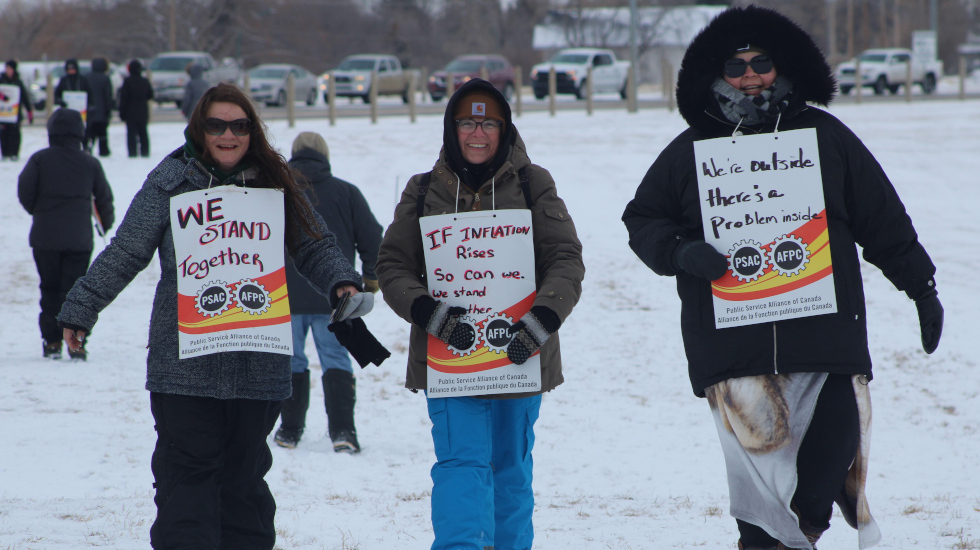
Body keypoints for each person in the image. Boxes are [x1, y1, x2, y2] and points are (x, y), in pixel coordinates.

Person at [622, 6, 943, 550]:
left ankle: (803, 535)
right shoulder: (692, 149)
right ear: (715, 75)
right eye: (735, 65)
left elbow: (882, 218)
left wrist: (921, 287)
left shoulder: (826, 137)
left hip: (824, 336)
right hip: (735, 347)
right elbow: (643, 219)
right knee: (761, 508)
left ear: (783, 66)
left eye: (762, 62)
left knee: (827, 464)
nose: (750, 75)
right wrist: (682, 250)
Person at [57, 83, 364, 549]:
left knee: (243, 486)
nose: (228, 135)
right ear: (200, 129)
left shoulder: (275, 183)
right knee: (187, 484)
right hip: (183, 366)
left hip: (256, 363)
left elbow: (315, 246)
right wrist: (82, 307)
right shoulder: (170, 180)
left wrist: (341, 280)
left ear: (251, 131)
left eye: (239, 126)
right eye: (216, 125)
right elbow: (126, 251)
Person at [376, 78, 585, 550]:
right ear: (451, 128)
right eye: (467, 122)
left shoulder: (534, 183)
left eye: (489, 123)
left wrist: (542, 321)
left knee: (510, 472)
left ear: (504, 129)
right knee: (461, 469)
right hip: (450, 358)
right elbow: (392, 265)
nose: (478, 132)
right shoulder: (423, 189)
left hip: (519, 355)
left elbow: (565, 260)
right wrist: (428, 311)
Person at [273, 131, 384, 453]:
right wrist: (371, 280)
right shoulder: (346, 193)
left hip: (284, 296)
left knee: (291, 361)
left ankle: (289, 430)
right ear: (325, 156)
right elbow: (372, 238)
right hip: (333, 295)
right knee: (335, 358)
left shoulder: (277, 193)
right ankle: (343, 432)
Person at [17, 108, 114, 360]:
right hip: (79, 240)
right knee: (76, 293)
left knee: (49, 289)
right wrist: (106, 224)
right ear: (80, 133)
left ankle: (51, 342)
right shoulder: (90, 162)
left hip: (44, 238)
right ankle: (77, 342)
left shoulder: (39, 159)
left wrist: (39, 212)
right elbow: (104, 199)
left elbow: (25, 191)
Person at [118, 59, 154, 157]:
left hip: (130, 112)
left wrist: (121, 113)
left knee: (131, 135)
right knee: (143, 133)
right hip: (143, 112)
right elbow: (150, 95)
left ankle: (132, 153)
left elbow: (123, 98)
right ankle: (145, 152)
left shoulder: (127, 81)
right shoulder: (145, 81)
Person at [0, 59, 34, 160]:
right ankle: (5, 154)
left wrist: (29, 112)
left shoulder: (18, 82)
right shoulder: (1, 80)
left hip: (15, 114)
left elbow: (24, 98)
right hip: (3, 113)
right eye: (7, 68)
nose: (8, 70)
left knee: (15, 134)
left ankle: (14, 153)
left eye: (10, 68)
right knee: (4, 134)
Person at [84, 56, 114, 156]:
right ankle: (104, 151)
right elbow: (108, 96)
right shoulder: (105, 78)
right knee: (102, 134)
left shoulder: (86, 77)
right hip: (102, 112)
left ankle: (88, 148)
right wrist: (108, 111)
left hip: (89, 111)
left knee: (89, 133)